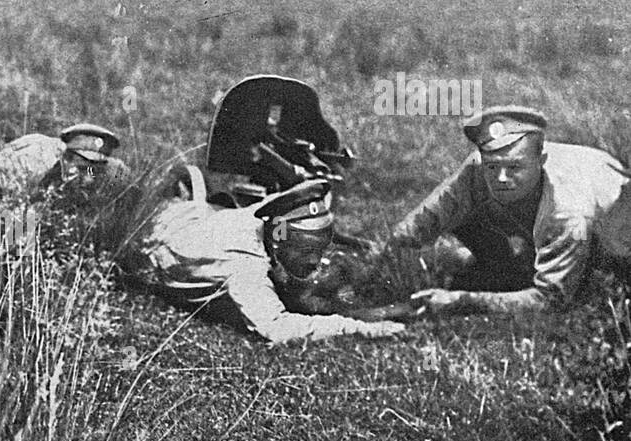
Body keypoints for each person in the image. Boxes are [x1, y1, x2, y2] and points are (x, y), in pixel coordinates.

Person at [383, 105, 631, 315]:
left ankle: (522, 266)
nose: (501, 178)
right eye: (493, 167)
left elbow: (550, 299)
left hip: (612, 237)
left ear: (541, 161)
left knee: (599, 280)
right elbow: (412, 229)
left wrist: (462, 301)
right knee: (468, 224)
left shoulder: (568, 210)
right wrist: (390, 271)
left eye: (514, 167)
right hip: (543, 221)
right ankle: (506, 265)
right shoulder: (478, 167)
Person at [122, 178, 405, 344]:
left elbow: (294, 205)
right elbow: (275, 328)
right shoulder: (244, 265)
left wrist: (354, 244)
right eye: (307, 249)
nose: (316, 260)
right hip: (147, 234)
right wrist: (357, 327)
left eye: (321, 246)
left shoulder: (271, 216)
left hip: (190, 215)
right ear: (281, 240)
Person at [0, 122, 129, 201]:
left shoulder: (44, 143)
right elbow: (7, 193)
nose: (87, 177)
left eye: (92, 169)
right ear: (68, 155)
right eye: (81, 166)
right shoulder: (42, 158)